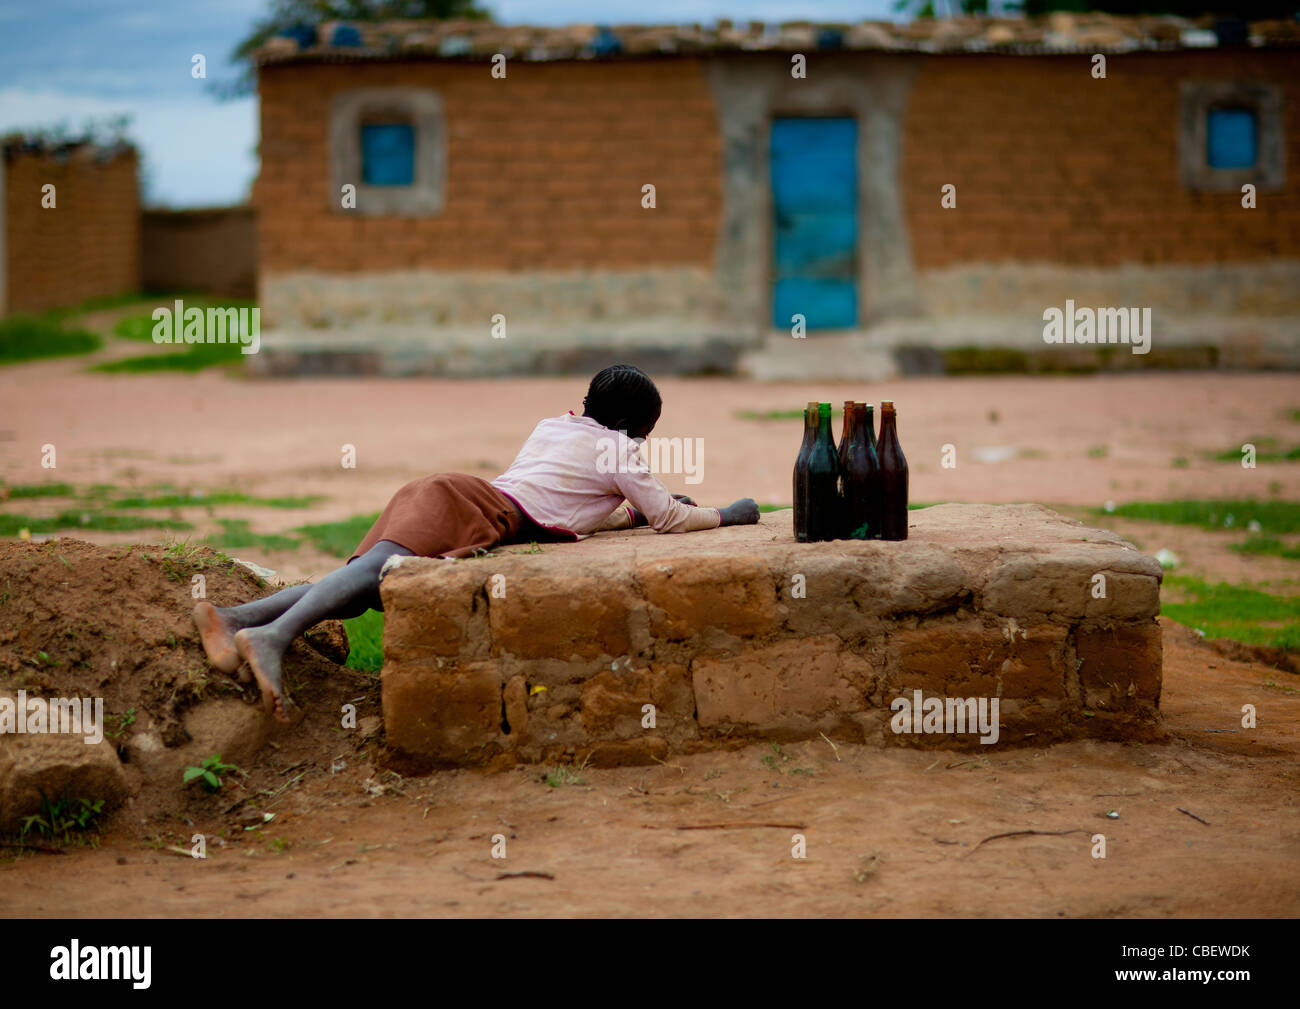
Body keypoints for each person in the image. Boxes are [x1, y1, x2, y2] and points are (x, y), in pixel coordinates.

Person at [193, 364, 760, 721]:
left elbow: (569, 506)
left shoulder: (555, 426)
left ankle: (238, 617)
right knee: (375, 576)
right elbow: (666, 518)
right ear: (638, 427)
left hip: (459, 493)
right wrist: (726, 514)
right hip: (478, 507)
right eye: (646, 435)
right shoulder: (620, 447)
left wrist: (631, 512)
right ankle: (272, 635)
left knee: (371, 579)